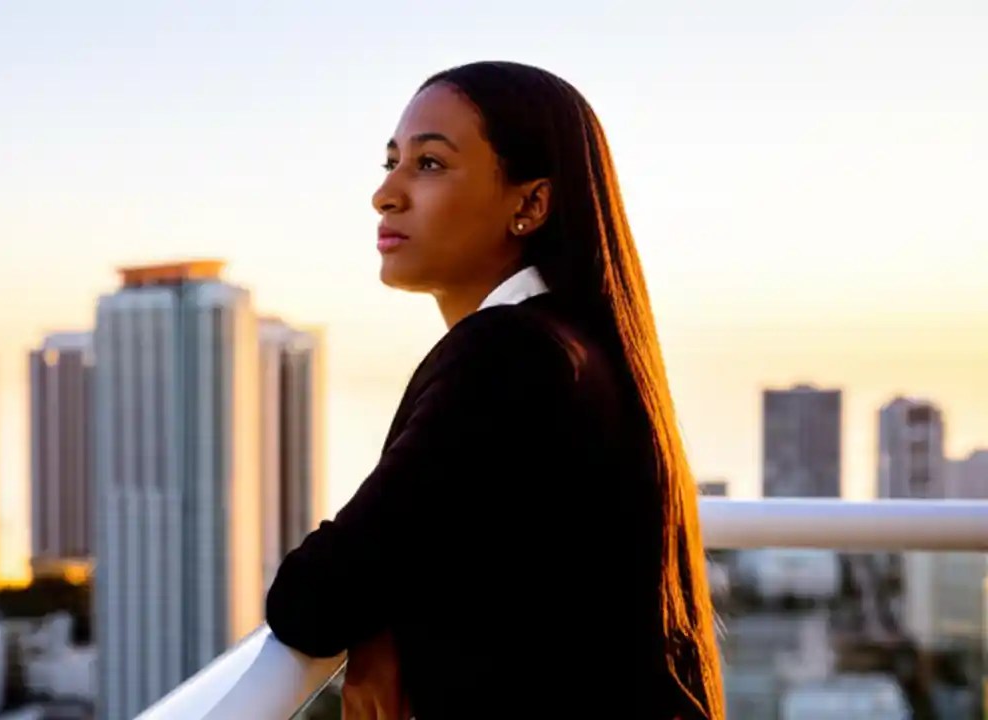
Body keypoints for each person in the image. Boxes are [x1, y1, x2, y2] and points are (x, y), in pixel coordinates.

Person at [266, 61, 724, 719]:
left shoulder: (510, 357)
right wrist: (385, 619)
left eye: (429, 164)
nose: (386, 194)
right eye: (391, 162)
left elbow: (314, 600)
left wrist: (373, 612)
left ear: (531, 204)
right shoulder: (574, 346)